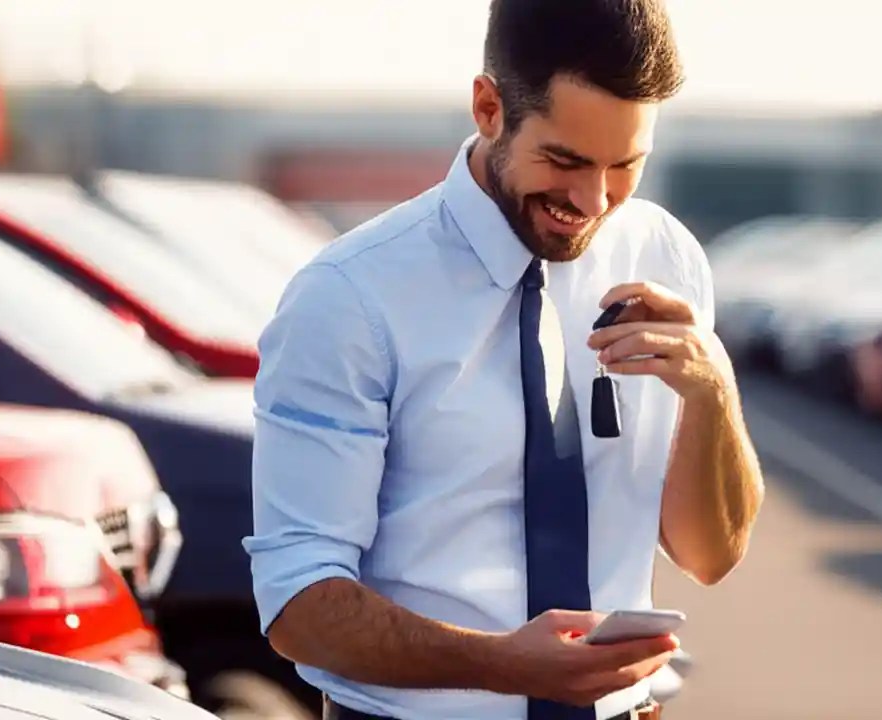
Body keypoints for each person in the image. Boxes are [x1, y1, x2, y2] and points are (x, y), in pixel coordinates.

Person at [243, 1, 765, 718]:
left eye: (625, 166)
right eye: (565, 161)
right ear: (488, 108)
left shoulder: (665, 255)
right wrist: (503, 665)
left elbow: (711, 556)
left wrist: (712, 390)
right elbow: (297, 605)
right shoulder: (349, 297)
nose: (593, 200)